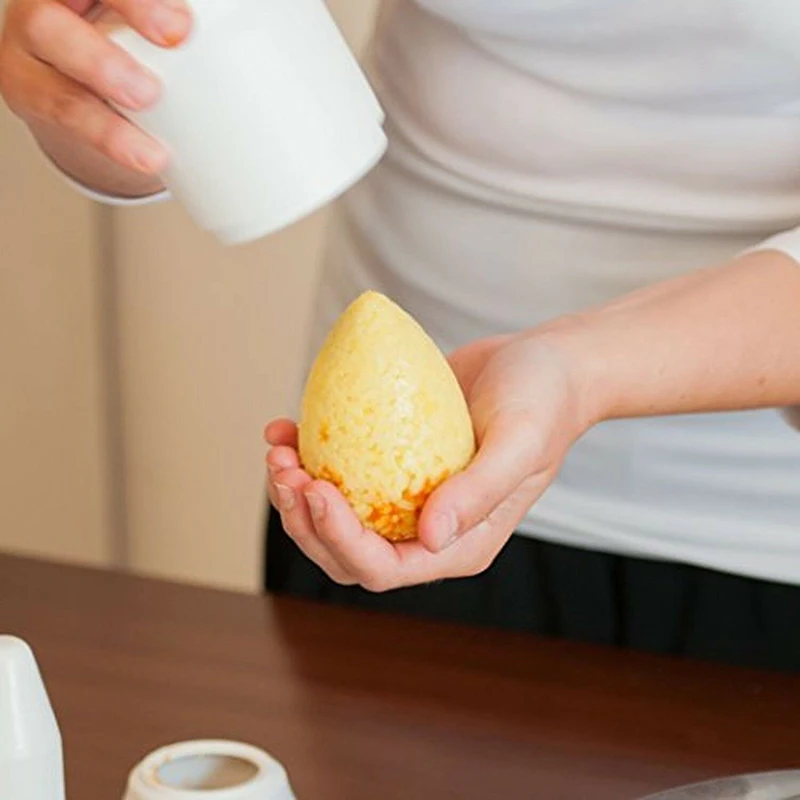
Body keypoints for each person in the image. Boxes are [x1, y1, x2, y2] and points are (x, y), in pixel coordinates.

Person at [3, 0, 800, 671]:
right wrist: (104, 85)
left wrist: (579, 371)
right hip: (392, 482)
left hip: (760, 534)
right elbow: (197, 47)